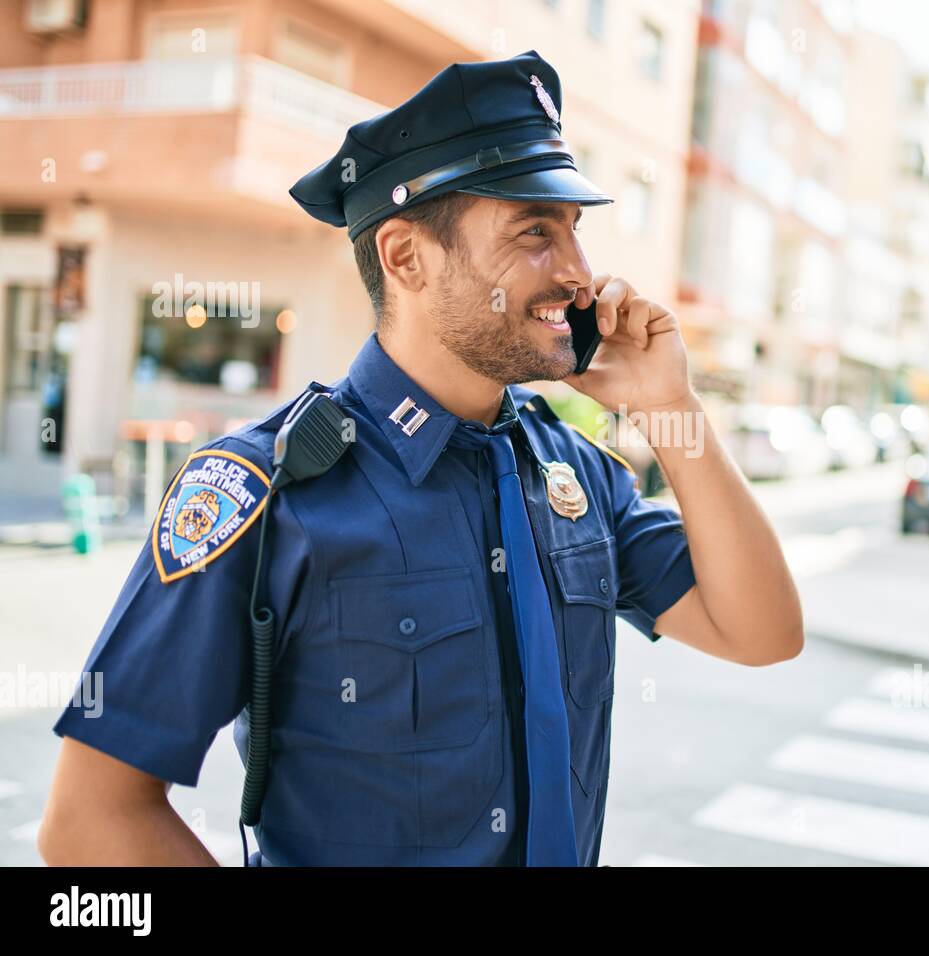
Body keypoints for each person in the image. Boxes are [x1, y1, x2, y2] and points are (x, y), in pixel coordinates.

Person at [39, 50, 802, 867]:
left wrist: (670, 409)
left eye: (575, 232)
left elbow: (760, 632)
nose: (579, 274)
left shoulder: (574, 474)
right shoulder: (268, 490)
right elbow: (92, 823)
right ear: (405, 258)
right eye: (535, 233)